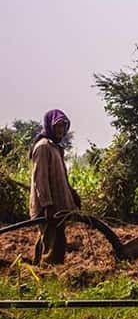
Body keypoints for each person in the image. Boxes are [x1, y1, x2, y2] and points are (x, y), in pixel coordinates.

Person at [28, 109, 80, 265]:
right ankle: (49, 275)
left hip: (57, 207)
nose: (61, 130)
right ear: (50, 126)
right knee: (55, 244)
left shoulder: (55, 147)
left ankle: (37, 268)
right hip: (49, 207)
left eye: (64, 126)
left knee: (48, 239)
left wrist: (73, 195)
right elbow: (40, 180)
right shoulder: (43, 147)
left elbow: (61, 177)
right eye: (58, 126)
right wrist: (47, 205)